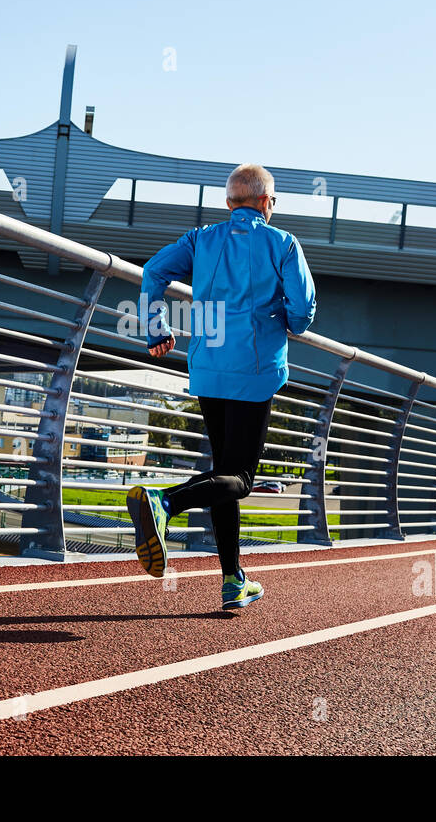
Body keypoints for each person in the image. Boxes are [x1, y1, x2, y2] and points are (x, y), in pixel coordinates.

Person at [126, 163, 317, 609]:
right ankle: (164, 501)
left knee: (224, 473)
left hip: (209, 368)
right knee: (242, 479)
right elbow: (304, 309)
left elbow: (153, 272)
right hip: (255, 370)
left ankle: (234, 579)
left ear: (230, 203)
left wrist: (156, 330)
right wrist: (287, 322)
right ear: (267, 202)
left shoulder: (200, 239)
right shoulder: (283, 243)